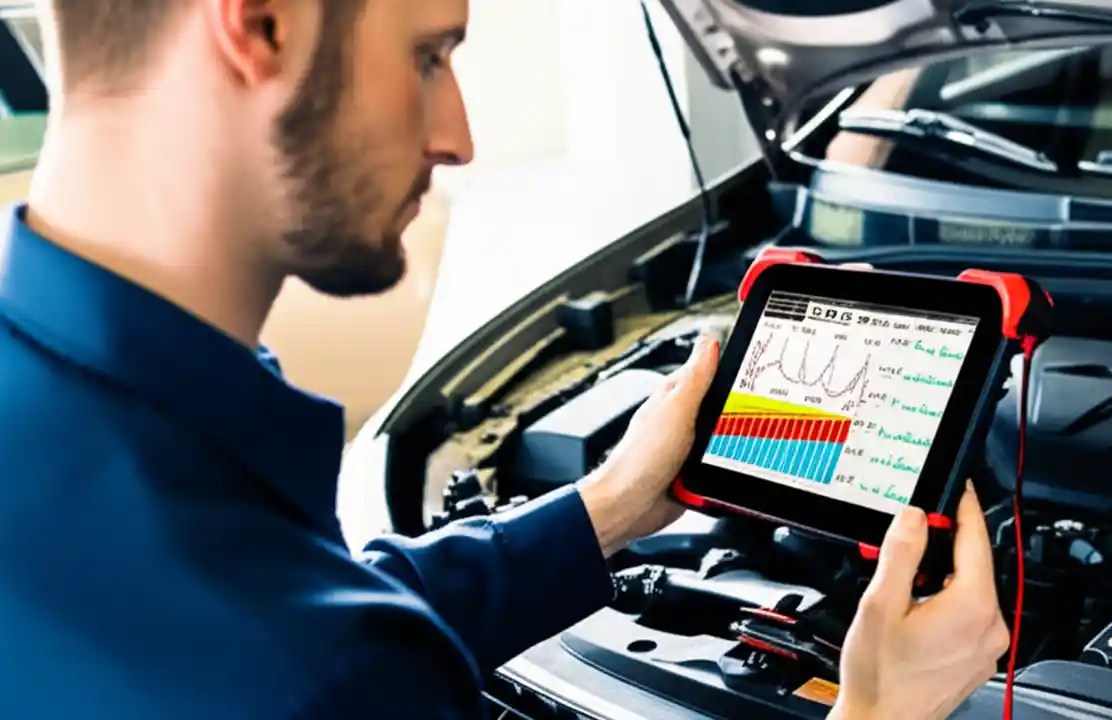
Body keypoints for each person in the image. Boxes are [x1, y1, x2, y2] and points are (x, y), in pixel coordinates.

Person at [0, 1, 1008, 718]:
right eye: (430, 55)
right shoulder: (304, 673)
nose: (458, 137)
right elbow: (317, 654)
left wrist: (608, 507)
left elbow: (335, 605)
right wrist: (881, 711)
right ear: (258, 25)